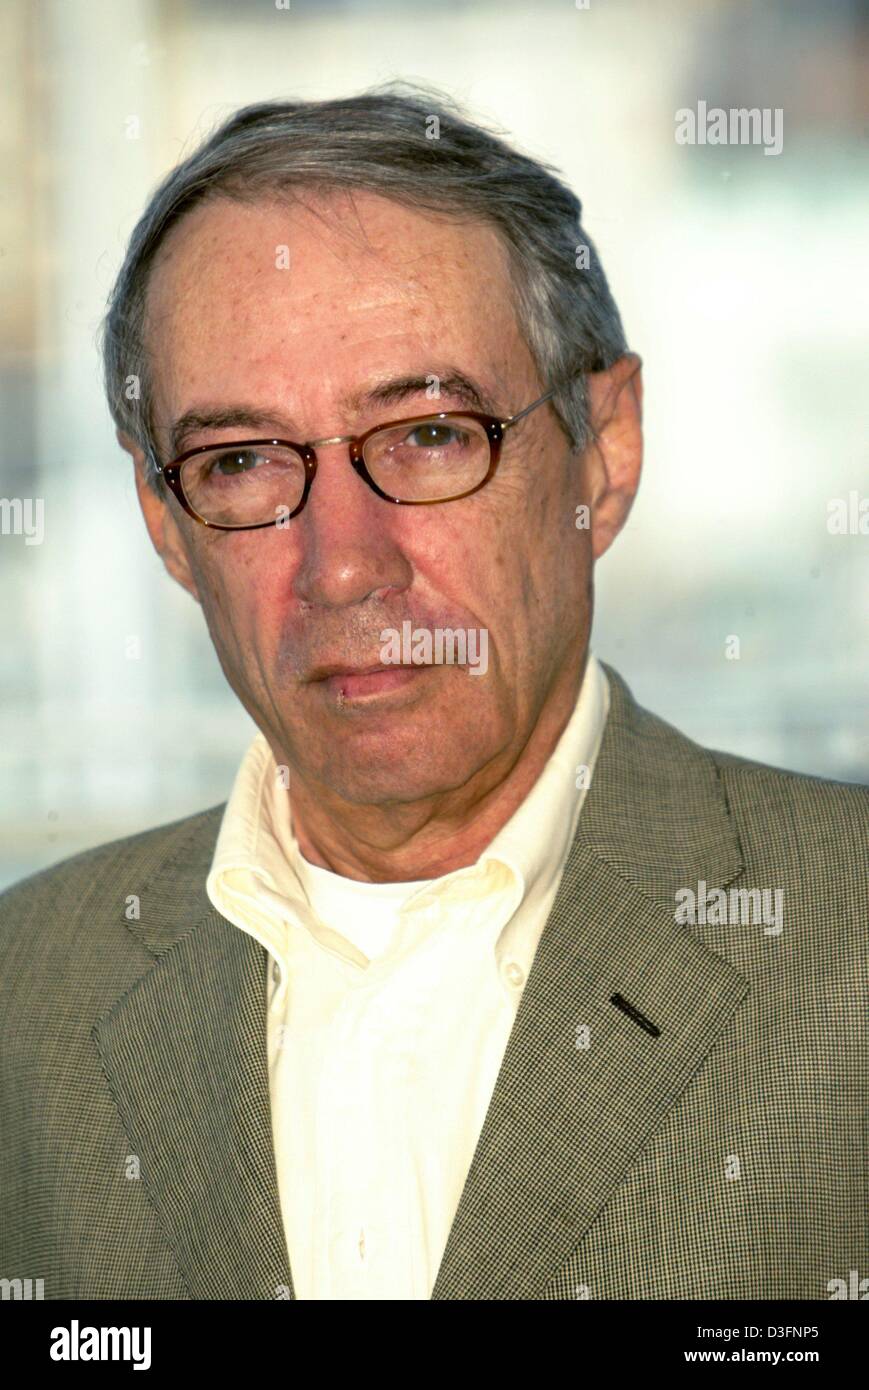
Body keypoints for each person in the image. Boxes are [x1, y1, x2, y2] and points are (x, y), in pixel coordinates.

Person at [0, 85, 865, 1302]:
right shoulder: (22, 999)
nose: (343, 561)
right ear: (167, 526)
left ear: (602, 450)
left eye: (426, 435)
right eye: (240, 460)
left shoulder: (844, 943)